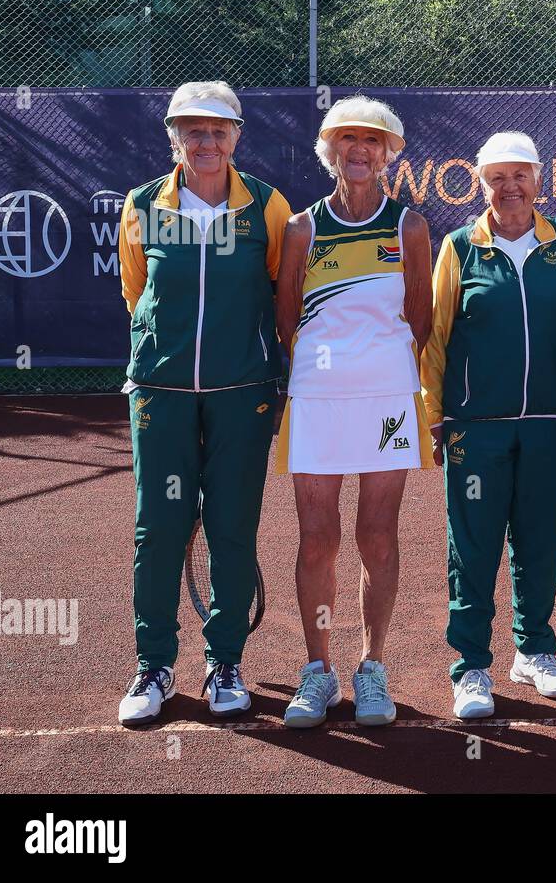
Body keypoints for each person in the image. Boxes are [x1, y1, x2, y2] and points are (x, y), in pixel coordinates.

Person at [116, 81, 292, 726]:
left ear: (237, 136)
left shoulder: (268, 208)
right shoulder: (142, 205)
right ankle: (154, 665)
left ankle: (225, 664)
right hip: (161, 397)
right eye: (193, 131)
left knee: (230, 529)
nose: (206, 142)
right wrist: (162, 361)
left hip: (241, 395)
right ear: (174, 139)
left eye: (218, 130)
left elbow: (283, 295)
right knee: (158, 528)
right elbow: (138, 293)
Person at [273, 96, 433, 728]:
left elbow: (419, 317)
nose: (361, 151)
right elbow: (287, 314)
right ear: (330, 152)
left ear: (387, 154)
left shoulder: (410, 228)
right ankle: (318, 671)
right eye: (348, 142)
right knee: (318, 538)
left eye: (373, 143)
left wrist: (380, 368)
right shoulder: (301, 230)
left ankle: (372, 668)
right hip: (317, 399)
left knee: (376, 535)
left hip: (388, 400)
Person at [420, 132, 556, 720]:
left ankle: (535, 651)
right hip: (476, 424)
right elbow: (436, 334)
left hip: (549, 420)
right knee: (473, 547)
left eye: (521, 175)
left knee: (540, 539)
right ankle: (470, 667)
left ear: (540, 180)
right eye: (498, 177)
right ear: (481, 183)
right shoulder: (459, 246)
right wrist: (435, 415)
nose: (510, 187)